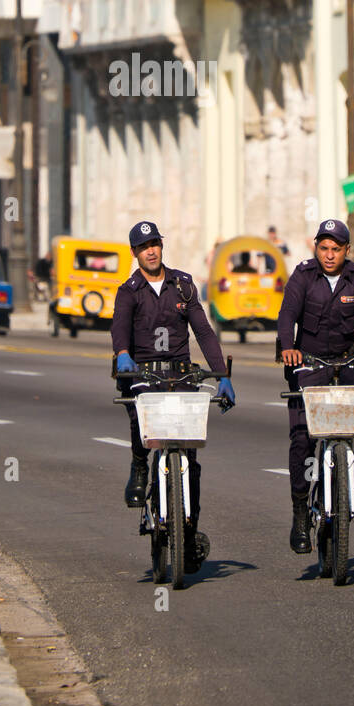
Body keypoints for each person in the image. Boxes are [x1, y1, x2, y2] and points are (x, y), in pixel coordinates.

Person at [111, 220, 236, 573]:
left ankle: (189, 526)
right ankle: (139, 467)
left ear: (161, 247)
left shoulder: (182, 285)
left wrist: (221, 375)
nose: (151, 251)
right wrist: (122, 352)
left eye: (155, 244)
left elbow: (203, 331)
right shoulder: (129, 290)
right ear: (135, 253)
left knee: (190, 457)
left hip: (179, 371)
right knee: (140, 417)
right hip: (144, 372)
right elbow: (119, 326)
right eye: (143, 246)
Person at [277, 218, 354, 554]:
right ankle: (300, 513)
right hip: (308, 360)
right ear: (317, 248)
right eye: (323, 248)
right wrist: (288, 345)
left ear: (347, 250)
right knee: (302, 439)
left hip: (345, 356)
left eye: (336, 249)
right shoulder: (303, 275)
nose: (329, 255)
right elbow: (287, 314)